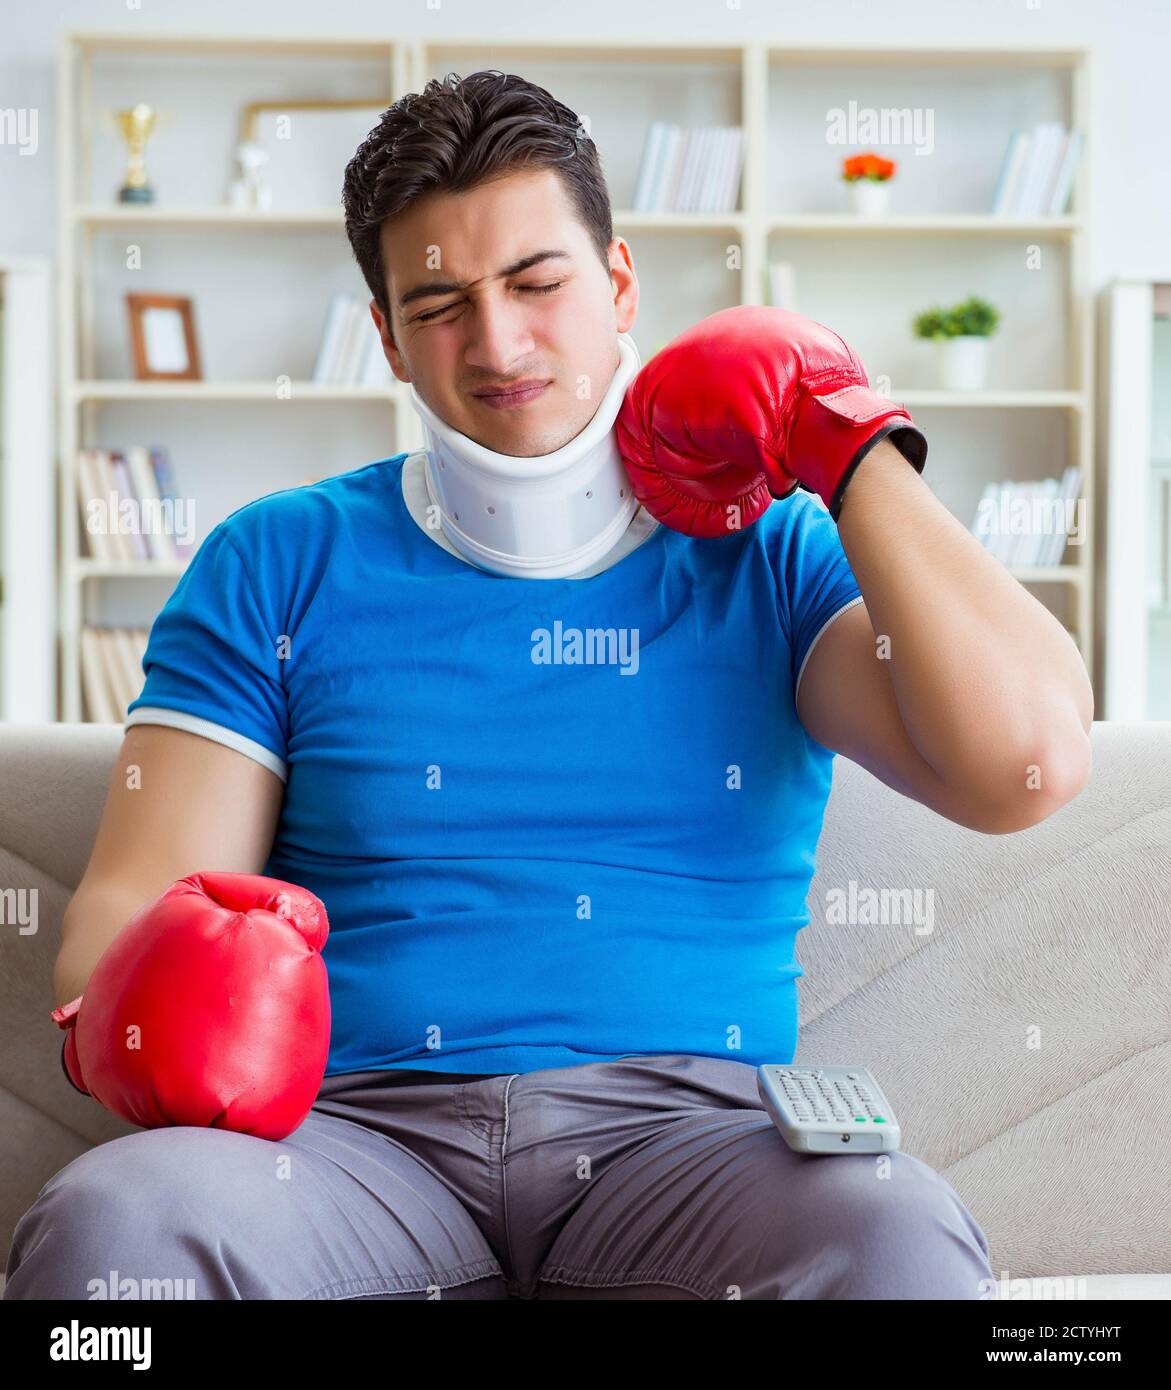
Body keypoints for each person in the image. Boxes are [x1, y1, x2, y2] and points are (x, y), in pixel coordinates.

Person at [5, 70, 1092, 1302]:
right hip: (350, 1146)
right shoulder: (277, 559)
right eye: (440, 303)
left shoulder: (773, 547)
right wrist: (168, 1007)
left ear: (619, 282)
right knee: (116, 1233)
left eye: (537, 282)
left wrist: (846, 441)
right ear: (387, 335)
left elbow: (1029, 766)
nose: (500, 342)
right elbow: (117, 923)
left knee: (900, 1236)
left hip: (692, 1143)